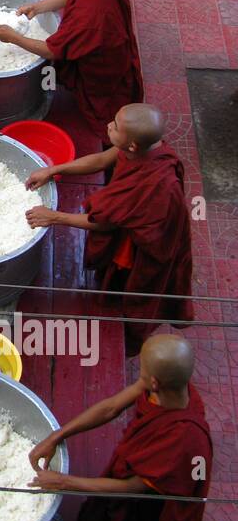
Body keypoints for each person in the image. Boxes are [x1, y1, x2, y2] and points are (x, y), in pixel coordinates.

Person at [29, 334, 211, 521]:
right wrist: (57, 435)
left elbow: (131, 488)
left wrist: (63, 482)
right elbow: (112, 406)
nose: (140, 379)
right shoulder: (164, 389)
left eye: (143, 373)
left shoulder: (182, 440)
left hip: (151, 508)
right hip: (135, 479)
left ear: (154, 383)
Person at [25, 104, 193, 351]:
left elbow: (103, 223)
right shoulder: (140, 148)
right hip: (128, 224)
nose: (108, 126)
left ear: (133, 145)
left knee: (137, 291)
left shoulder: (158, 183)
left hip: (145, 245)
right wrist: (54, 170)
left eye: (114, 127)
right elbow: (103, 159)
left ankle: (131, 341)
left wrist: (54, 217)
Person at [0, 0, 144, 139]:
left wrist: (14, 38)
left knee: (105, 107)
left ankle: (117, 141)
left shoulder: (92, 16)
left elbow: (51, 50)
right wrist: (37, 8)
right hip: (101, 40)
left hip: (103, 70)